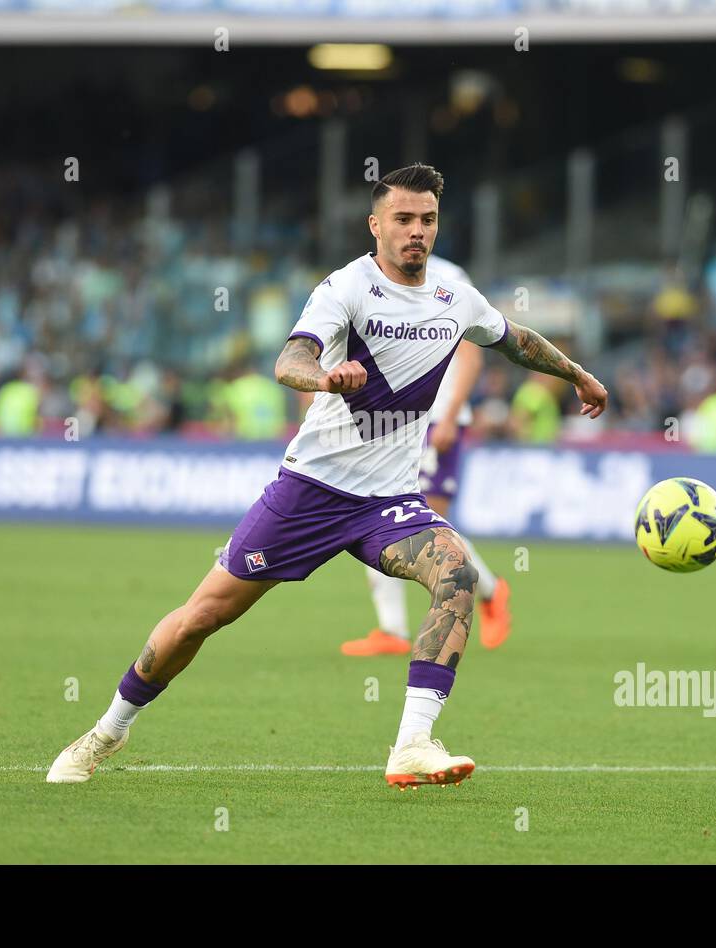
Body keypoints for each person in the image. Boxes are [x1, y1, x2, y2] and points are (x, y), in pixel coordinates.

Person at [46, 163, 608, 789]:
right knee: (202, 617)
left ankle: (412, 745)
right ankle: (106, 731)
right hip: (310, 493)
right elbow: (291, 358)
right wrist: (323, 378)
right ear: (376, 226)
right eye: (402, 219)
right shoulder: (346, 289)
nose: (416, 231)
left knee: (455, 573)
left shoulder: (457, 299)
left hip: (388, 501)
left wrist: (577, 374)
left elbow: (515, 340)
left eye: (426, 220)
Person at [339, 254, 512, 656]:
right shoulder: (369, 276)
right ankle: (392, 630)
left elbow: (471, 354)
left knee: (430, 520)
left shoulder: (451, 278)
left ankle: (489, 589)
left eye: (422, 219)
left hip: (437, 419)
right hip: (390, 420)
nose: (413, 231)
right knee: (374, 510)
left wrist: (452, 415)